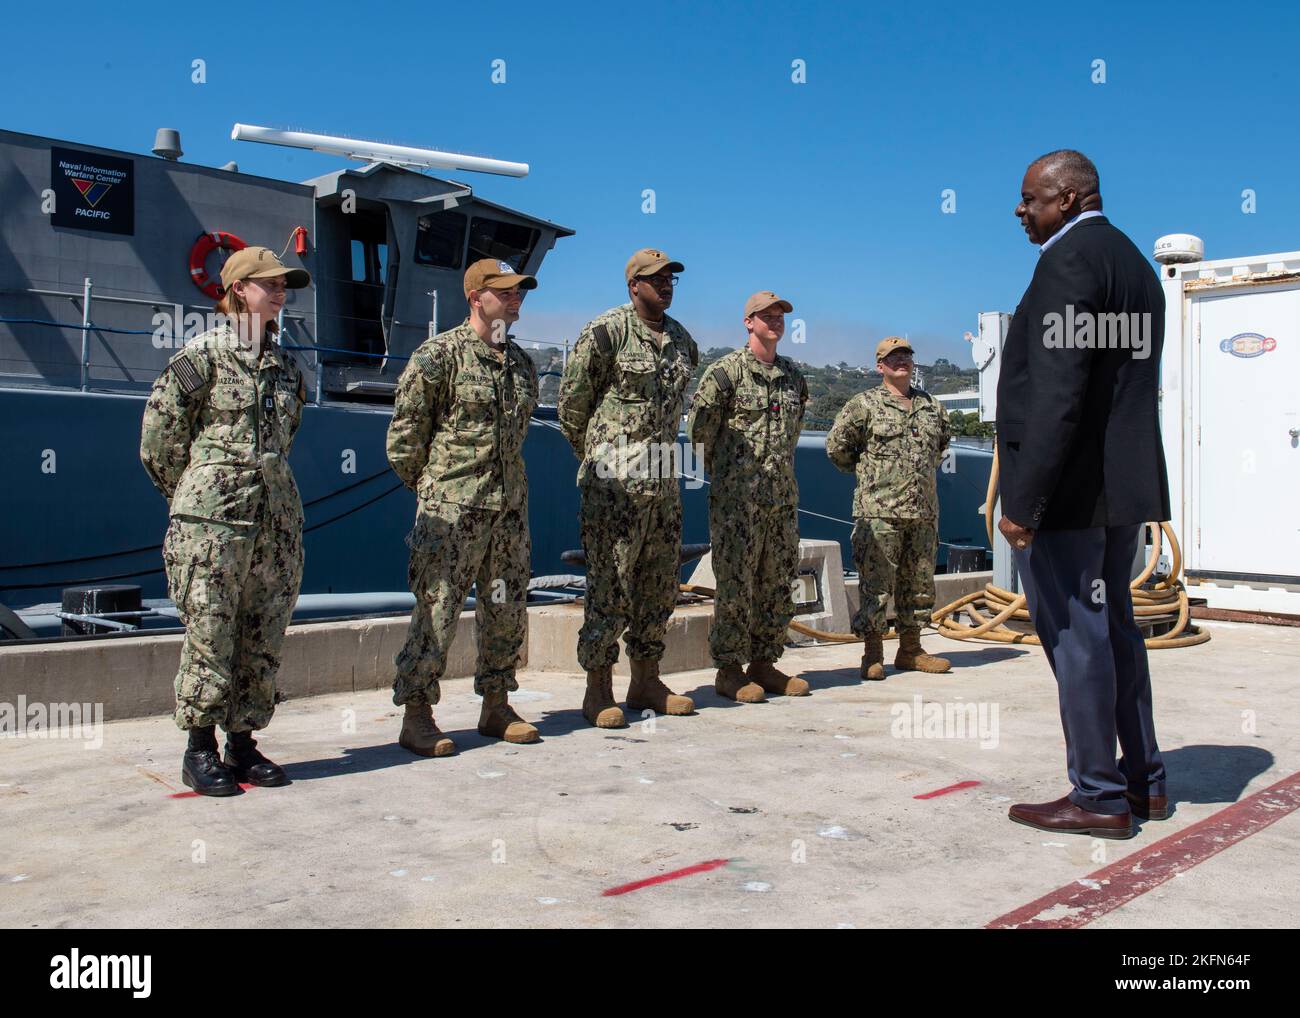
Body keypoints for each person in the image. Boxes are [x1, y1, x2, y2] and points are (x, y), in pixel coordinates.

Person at [998, 150, 1169, 839]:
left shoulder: (1068, 262)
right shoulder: (1135, 265)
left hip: (1071, 495)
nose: (1020, 211)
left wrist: (1024, 503)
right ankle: (1143, 782)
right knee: (1116, 632)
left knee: (1078, 638)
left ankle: (1097, 796)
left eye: (1029, 199)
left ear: (1068, 199)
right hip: (1119, 488)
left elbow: (1060, 394)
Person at [140, 245, 310, 796]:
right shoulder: (200, 359)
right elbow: (159, 444)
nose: (281, 292)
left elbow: (285, 440)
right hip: (213, 528)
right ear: (239, 289)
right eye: (270, 283)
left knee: (262, 634)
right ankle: (198, 748)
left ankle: (243, 743)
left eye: (285, 285)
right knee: (211, 633)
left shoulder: (287, 367)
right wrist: (198, 499)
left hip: (274, 525)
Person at [387, 259, 542, 756]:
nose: (516, 298)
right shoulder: (439, 357)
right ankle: (417, 715)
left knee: (505, 609)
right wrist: (438, 492)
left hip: (508, 512)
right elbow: (404, 440)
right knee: (437, 610)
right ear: (477, 297)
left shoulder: (521, 364)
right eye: (506, 291)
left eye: (521, 291)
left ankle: (496, 705)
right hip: (453, 514)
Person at [558, 248, 699, 728]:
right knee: (610, 586)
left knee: (659, 586)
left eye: (671, 279)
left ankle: (647, 680)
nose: (666, 285)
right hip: (614, 486)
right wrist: (602, 461)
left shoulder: (682, 341)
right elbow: (572, 406)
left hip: (662, 483)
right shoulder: (605, 333)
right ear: (633, 285)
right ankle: (598, 688)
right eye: (656, 279)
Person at [686, 290, 810, 702]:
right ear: (748, 322)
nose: (775, 321)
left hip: (781, 501)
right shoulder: (725, 375)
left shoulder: (794, 378)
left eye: (780, 316)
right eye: (766, 315)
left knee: (776, 583)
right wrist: (727, 477)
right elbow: (699, 433)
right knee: (736, 585)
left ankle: (764, 663)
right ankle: (729, 669)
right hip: (737, 503)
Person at [826, 337, 952, 680]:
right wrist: (874, 478)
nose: (902, 362)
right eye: (894, 357)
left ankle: (911, 650)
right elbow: (838, 448)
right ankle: (873, 652)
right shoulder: (863, 405)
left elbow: (941, 445)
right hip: (878, 512)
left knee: (920, 584)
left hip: (923, 511)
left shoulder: (932, 407)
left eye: (907, 357)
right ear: (880, 365)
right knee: (876, 586)